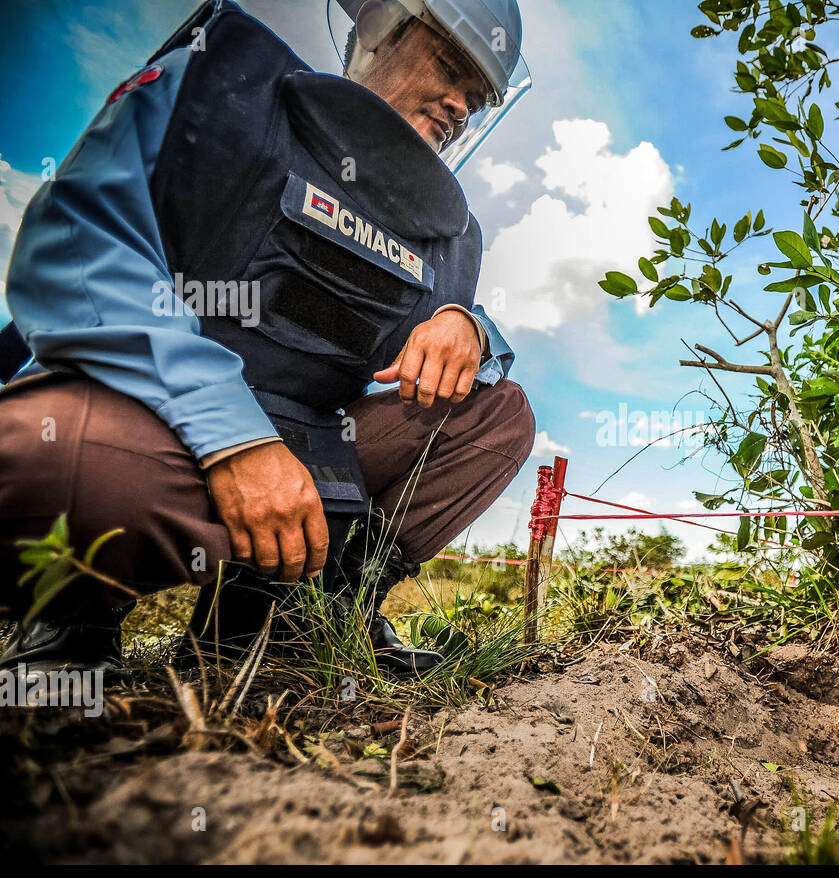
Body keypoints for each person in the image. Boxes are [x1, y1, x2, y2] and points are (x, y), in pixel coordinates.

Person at [0, 0, 535, 680]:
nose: (461, 105)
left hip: (314, 459)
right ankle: (71, 614)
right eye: (451, 65)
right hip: (156, 431)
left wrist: (470, 327)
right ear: (377, 29)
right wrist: (234, 435)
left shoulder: (449, 233)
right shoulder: (224, 84)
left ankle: (286, 622)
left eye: (478, 96)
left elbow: (432, 353)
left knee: (500, 416)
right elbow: (76, 247)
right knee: (45, 451)